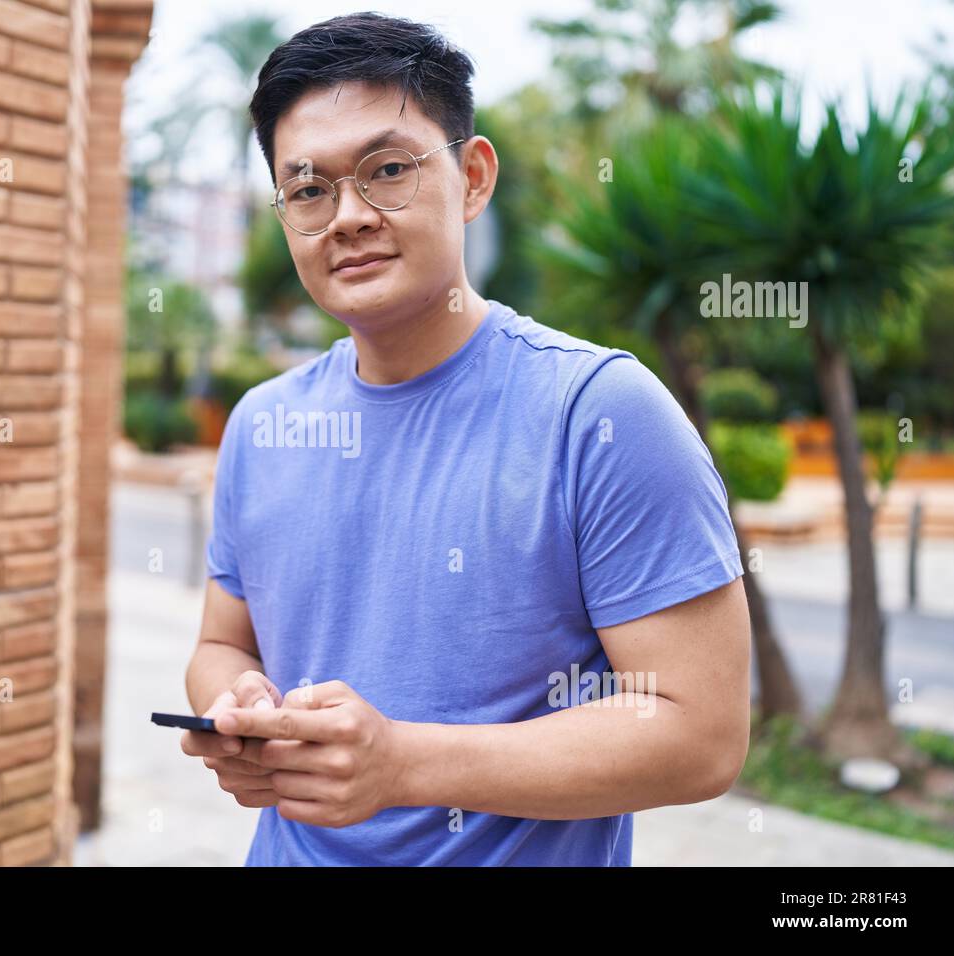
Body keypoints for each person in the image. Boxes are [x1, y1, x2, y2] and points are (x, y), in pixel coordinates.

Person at [180, 11, 751, 866]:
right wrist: (238, 707)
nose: (348, 216)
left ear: (473, 176)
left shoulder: (598, 413)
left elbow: (701, 733)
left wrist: (402, 764)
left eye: (388, 170)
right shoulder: (263, 424)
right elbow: (224, 643)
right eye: (308, 189)